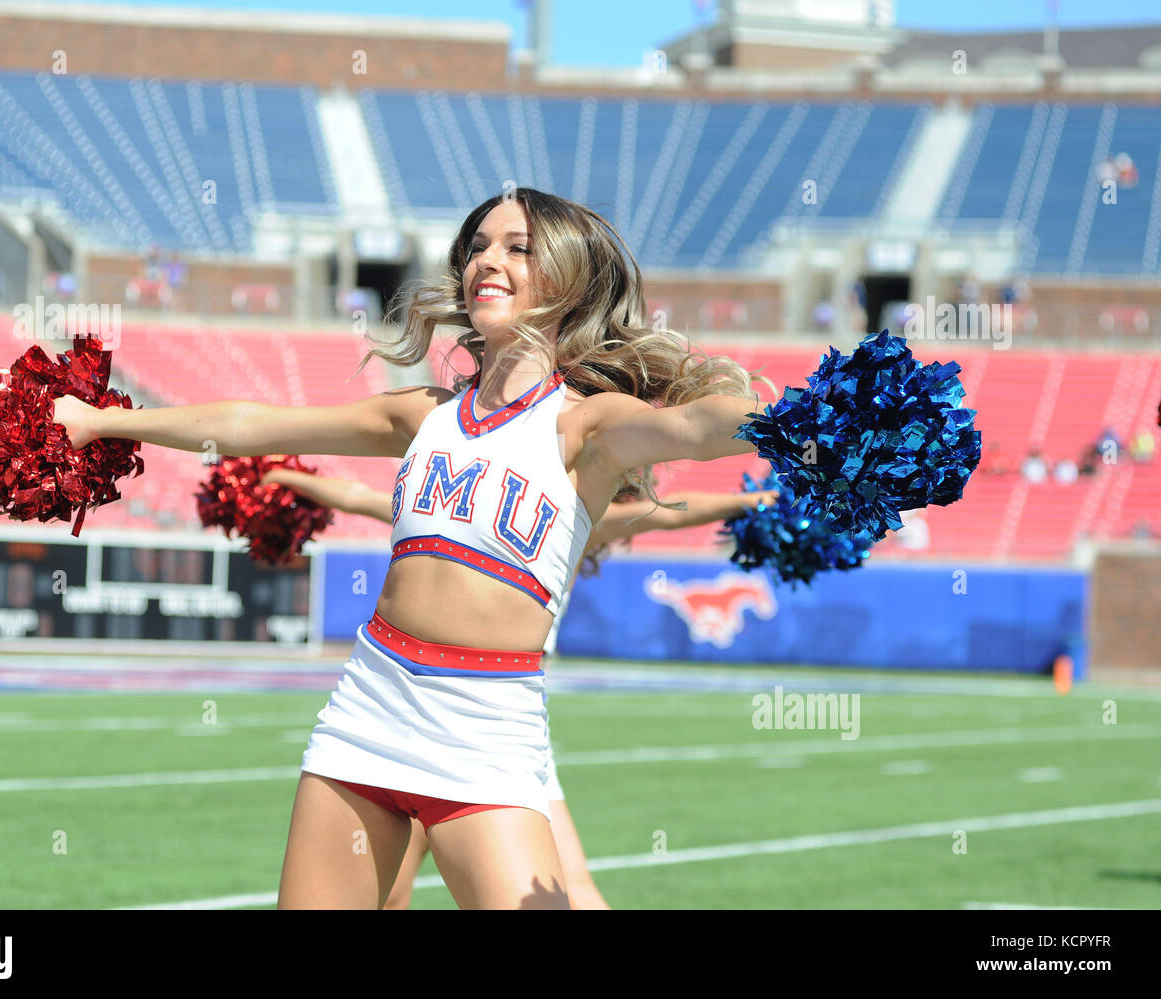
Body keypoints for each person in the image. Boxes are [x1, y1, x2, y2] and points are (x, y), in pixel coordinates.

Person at [53, 188, 762, 909]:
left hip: (486, 729)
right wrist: (107, 419)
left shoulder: (586, 427)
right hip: (369, 710)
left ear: (569, 280)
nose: (488, 259)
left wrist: (809, 417)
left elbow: (701, 426)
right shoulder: (423, 413)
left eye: (518, 248)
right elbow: (256, 424)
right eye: (478, 246)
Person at [258, 464, 776, 909]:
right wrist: (291, 479)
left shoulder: (577, 518)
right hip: (424, 716)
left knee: (570, 888)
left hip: (497, 728)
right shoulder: (503, 516)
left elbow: (673, 510)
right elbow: (364, 499)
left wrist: (753, 500)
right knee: (391, 891)